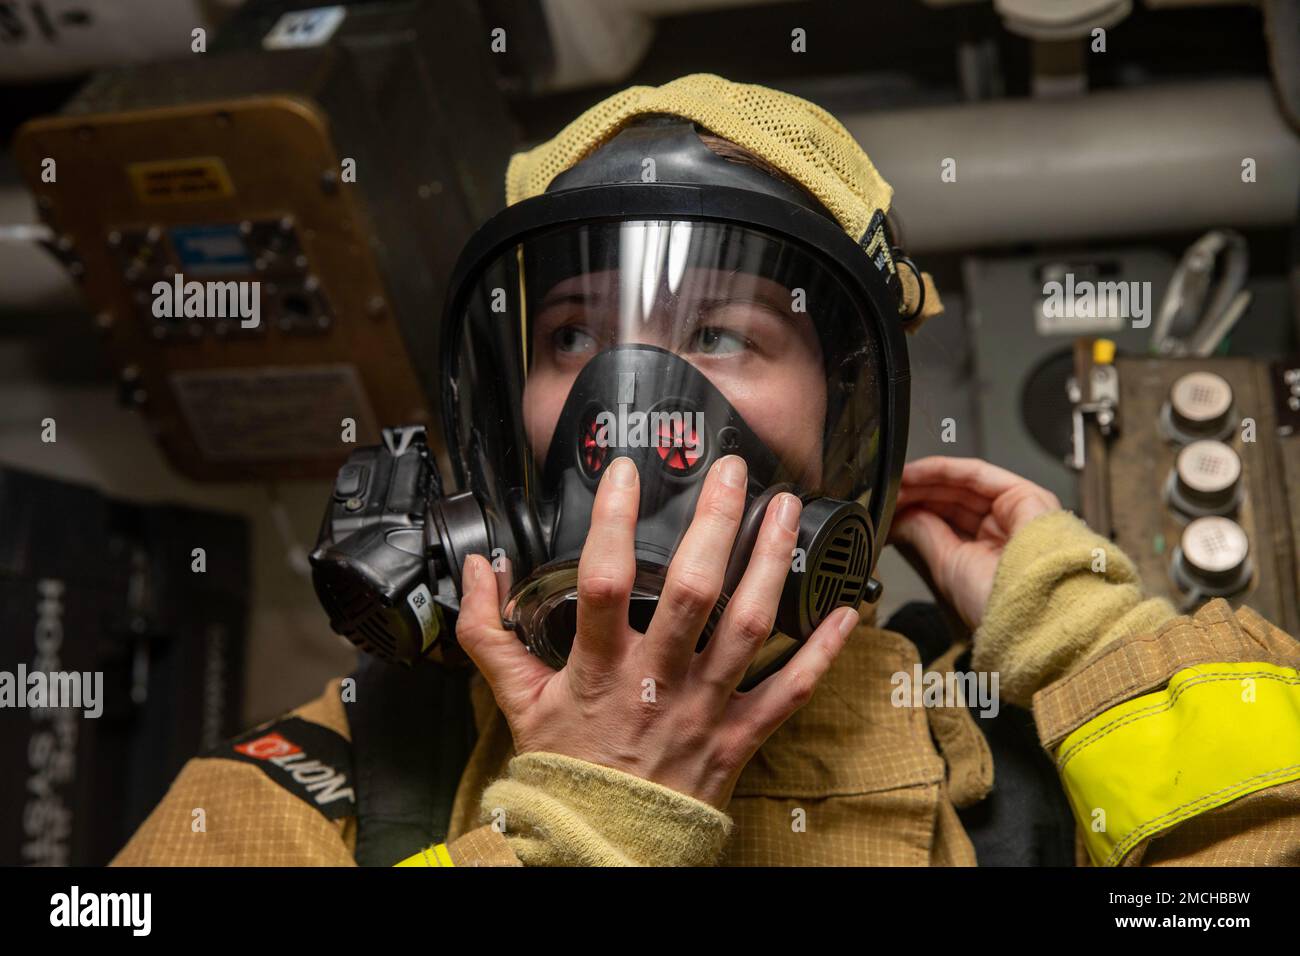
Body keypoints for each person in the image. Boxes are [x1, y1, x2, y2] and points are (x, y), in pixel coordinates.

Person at [112, 75, 1300, 868]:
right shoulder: (319, 791)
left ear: (842, 418)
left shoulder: (1009, 737)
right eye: (572, 335)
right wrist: (577, 822)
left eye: (724, 331)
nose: (632, 399)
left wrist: (1084, 639)